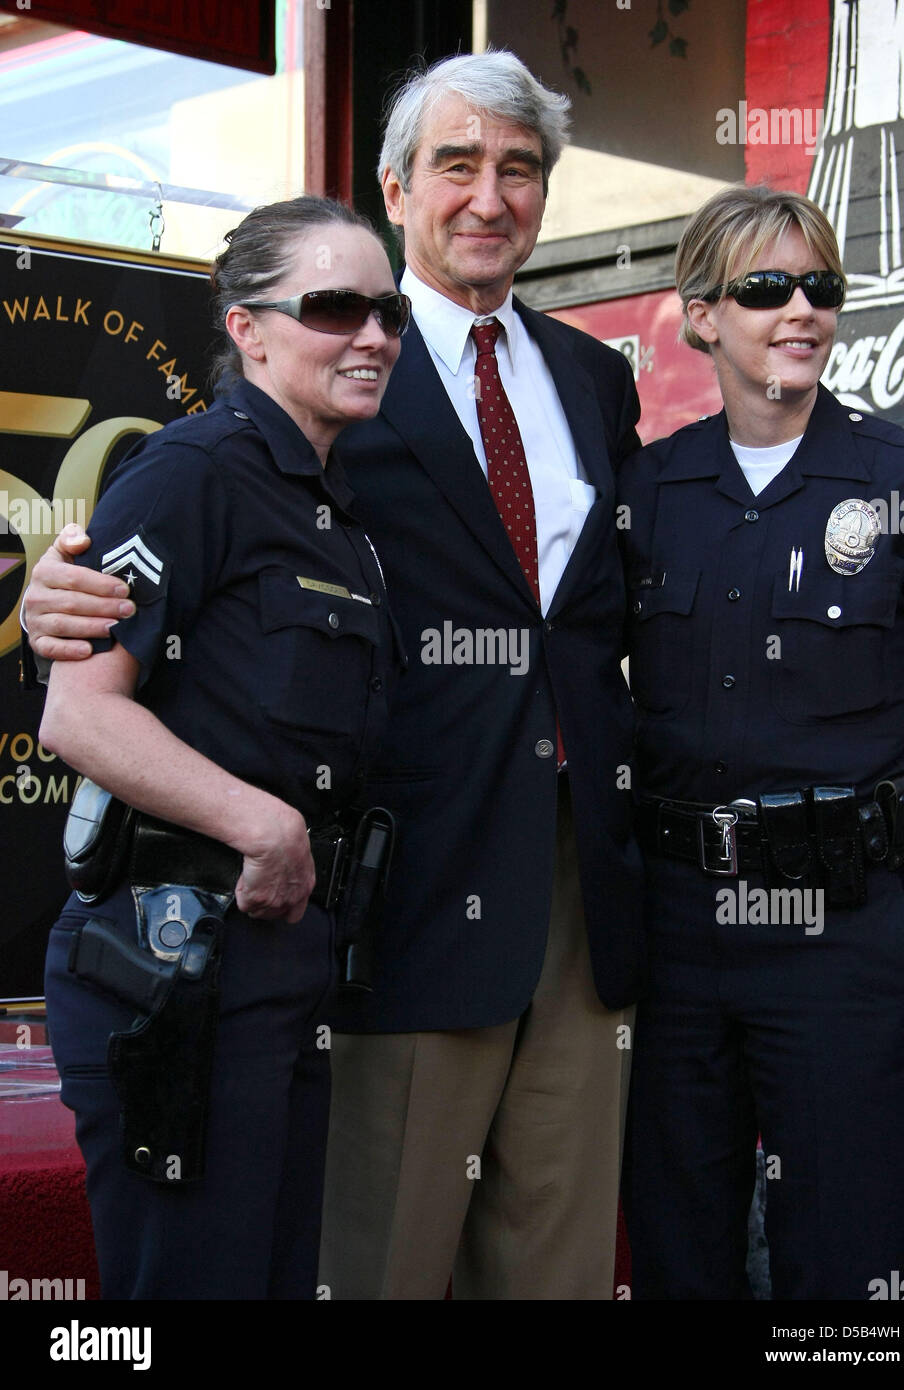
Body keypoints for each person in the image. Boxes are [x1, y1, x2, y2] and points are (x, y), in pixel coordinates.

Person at [25, 51, 644, 1301]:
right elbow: (197, 523)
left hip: (580, 881)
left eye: (517, 168)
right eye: (455, 165)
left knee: (559, 1265)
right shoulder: (327, 368)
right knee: (369, 1260)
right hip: (398, 893)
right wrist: (62, 593)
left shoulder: (593, 377)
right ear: (395, 188)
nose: (487, 197)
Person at [34, 195, 409, 1299]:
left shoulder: (336, 507)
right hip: (172, 956)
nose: (373, 335)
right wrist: (262, 822)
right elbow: (79, 714)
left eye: (388, 313)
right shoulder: (193, 470)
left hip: (280, 959)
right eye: (334, 308)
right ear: (247, 328)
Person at [619, 183, 904, 1300]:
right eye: (766, 288)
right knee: (677, 1256)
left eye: (821, 287)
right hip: (672, 933)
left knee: (843, 1268)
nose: (800, 309)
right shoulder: (649, 489)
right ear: (700, 316)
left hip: (841, 929)